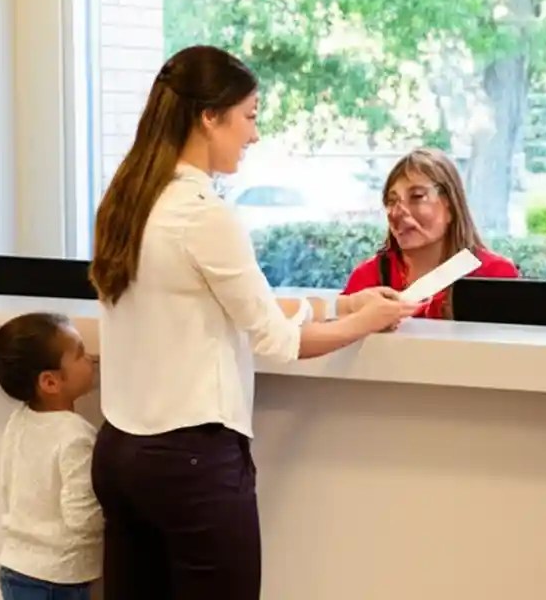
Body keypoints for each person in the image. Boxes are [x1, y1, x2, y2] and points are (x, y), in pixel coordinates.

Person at [89, 45, 419, 600]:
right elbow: (278, 339)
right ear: (208, 117)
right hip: (191, 465)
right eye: (250, 116)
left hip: (121, 454)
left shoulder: (127, 202)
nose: (254, 134)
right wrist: (370, 322)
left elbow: (238, 307)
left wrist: (344, 306)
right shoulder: (203, 214)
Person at [0, 312, 103, 600]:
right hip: (58, 578)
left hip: (15, 566)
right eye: (80, 354)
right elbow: (83, 519)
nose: (91, 358)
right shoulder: (76, 436)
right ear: (50, 382)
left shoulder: (19, 421)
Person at [342, 147, 519, 319]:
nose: (397, 212)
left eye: (417, 197)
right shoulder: (368, 278)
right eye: (391, 201)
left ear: (450, 206)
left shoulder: (495, 275)